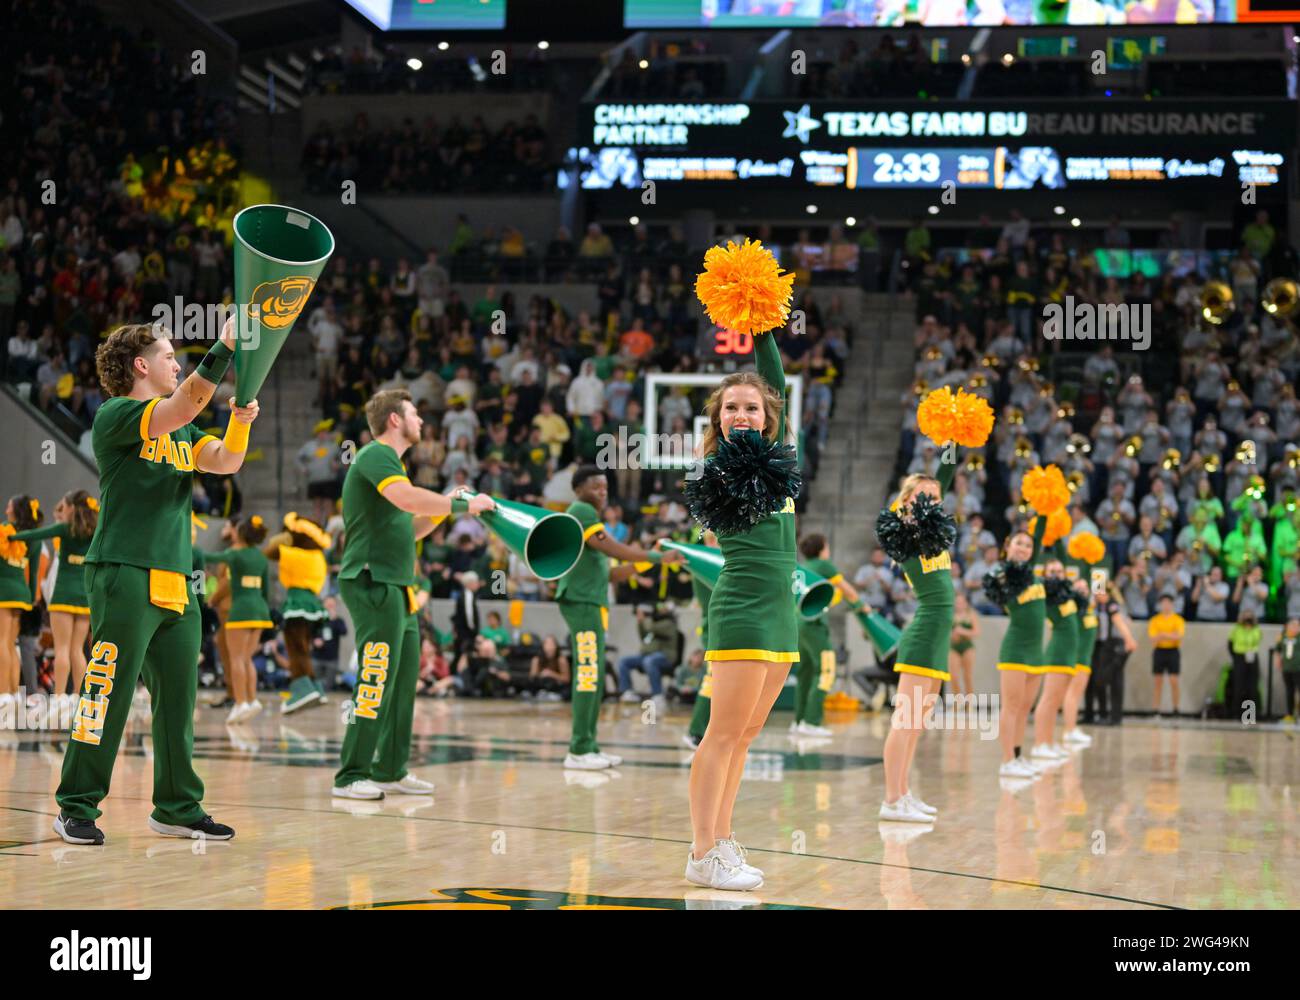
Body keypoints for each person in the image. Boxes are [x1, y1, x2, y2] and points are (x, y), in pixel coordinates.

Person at [54, 315, 258, 845]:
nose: (177, 364)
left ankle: (177, 806)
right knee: (108, 693)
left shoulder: (181, 428)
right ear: (141, 365)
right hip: (123, 571)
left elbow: (227, 460)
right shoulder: (117, 415)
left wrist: (239, 420)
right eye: (169, 356)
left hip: (176, 580)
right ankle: (75, 804)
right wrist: (226, 345)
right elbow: (186, 402)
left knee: (178, 702)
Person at [683, 282, 799, 891]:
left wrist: (763, 320)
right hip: (743, 610)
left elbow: (774, 379)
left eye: (751, 408)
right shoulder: (720, 469)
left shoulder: (776, 461)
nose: (742, 415)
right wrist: (760, 327)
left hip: (783, 614)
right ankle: (703, 851)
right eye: (731, 409)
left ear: (768, 417)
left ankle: (722, 838)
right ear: (719, 422)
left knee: (747, 735)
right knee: (722, 733)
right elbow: (770, 391)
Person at [332, 388, 495, 800]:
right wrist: (459, 507)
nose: (421, 421)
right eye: (415, 413)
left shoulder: (394, 467)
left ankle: (390, 768)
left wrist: (446, 507)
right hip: (372, 580)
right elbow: (405, 499)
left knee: (405, 681)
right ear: (394, 420)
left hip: (398, 586)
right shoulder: (375, 455)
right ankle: (351, 774)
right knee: (375, 678)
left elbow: (410, 526)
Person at [555, 465, 678, 771]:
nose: (603, 492)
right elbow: (611, 548)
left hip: (592, 603)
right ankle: (579, 749)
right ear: (580, 489)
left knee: (594, 678)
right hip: (582, 604)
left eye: (606, 487)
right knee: (587, 676)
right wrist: (652, 556)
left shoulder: (591, 521)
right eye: (596, 486)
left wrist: (648, 563)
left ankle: (590, 745)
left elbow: (612, 573)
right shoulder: (581, 510)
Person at [874, 453, 960, 822]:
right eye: (923, 495)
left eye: (936, 497)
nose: (932, 501)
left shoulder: (934, 532)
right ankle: (891, 800)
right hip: (923, 635)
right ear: (906, 500)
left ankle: (904, 793)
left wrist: (954, 440)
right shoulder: (905, 534)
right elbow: (911, 504)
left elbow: (946, 474)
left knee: (917, 724)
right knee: (904, 721)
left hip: (938, 638)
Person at [12, 491, 99, 713]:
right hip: (85, 598)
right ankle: (80, 698)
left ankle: (60, 697)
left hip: (63, 596)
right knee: (78, 650)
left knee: (62, 649)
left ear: (70, 508)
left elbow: (34, 535)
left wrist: (12, 537)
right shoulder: (94, 532)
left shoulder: (65, 529)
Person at [986, 515, 1048, 778]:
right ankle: (1006, 760)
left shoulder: (1031, 572)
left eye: (1028, 546)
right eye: (1018, 543)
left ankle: (1018, 755)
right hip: (1015, 649)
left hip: (1036, 650)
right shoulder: (1001, 573)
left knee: (1025, 708)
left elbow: (1041, 533)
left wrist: (1044, 508)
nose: (1023, 548)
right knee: (1011, 706)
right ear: (1008, 546)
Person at [793, 533, 867, 738]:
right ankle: (811, 722)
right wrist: (862, 606)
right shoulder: (824, 565)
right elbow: (847, 589)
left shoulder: (803, 566)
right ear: (822, 549)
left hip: (799, 625)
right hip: (815, 626)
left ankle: (798, 721)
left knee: (805, 674)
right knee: (826, 672)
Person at [203, 515, 273, 723]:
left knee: (235, 658)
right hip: (260, 611)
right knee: (246, 658)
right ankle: (252, 700)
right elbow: (265, 590)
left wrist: (191, 549)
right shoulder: (261, 557)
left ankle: (240, 702)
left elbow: (210, 558)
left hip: (240, 610)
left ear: (240, 532)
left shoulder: (234, 554)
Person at [264, 512, 333, 714]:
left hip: (298, 601)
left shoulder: (293, 553)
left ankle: (302, 689)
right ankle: (314, 687)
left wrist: (286, 538)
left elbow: (269, 551)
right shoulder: (318, 556)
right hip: (313, 602)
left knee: (295, 648)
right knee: (303, 648)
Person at [1032, 554, 1080, 760]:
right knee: (1048, 700)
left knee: (1057, 701)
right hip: (1057, 653)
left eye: (1060, 571)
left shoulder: (1065, 593)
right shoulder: (1048, 594)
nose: (1057, 575)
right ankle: (1038, 744)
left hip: (1069, 653)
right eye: (1052, 572)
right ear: (1044, 575)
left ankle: (1049, 741)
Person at [0, 494, 42, 709]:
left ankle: (3, 694)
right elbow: (33, 573)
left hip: (4, 592)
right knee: (9, 644)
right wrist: (32, 598)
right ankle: (14, 693)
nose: (6, 509)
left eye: (9, 505)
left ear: (16, 510)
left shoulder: (5, 530)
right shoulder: (34, 537)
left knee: (2, 643)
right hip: (22, 594)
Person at [683, 530, 718, 752]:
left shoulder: (708, 562)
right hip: (714, 627)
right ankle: (696, 731)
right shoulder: (706, 563)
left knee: (716, 681)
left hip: (716, 626)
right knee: (713, 680)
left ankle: (703, 732)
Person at [1088, 583, 1137, 726]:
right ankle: (1109, 715)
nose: (1096, 596)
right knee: (1105, 680)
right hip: (1108, 645)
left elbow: (1120, 622)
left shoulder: (1112, 605)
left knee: (1115, 681)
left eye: (1099, 593)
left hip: (1115, 644)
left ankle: (1115, 717)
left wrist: (1129, 639)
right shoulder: (1103, 606)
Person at [617, 602, 678, 706]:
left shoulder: (669, 623)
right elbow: (643, 636)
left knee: (650, 661)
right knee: (624, 661)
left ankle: (658, 695)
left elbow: (650, 628)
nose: (660, 610)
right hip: (646, 656)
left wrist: (646, 616)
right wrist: (640, 621)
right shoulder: (651, 622)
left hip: (665, 657)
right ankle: (628, 692)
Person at [1148, 593, 1185, 716]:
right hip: (1159, 651)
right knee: (1158, 681)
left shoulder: (1178, 619)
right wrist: (1169, 635)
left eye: (1168, 603)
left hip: (1173, 651)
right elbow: (1153, 638)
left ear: (1172, 604)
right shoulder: (1155, 620)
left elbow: (1179, 636)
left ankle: (1176, 708)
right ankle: (1155, 709)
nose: (1166, 605)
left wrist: (1162, 634)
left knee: (1174, 680)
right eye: (1163, 603)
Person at [1227, 608, 1262, 721]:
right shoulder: (1236, 629)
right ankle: (1236, 714)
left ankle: (1250, 715)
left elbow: (1258, 641)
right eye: (1245, 615)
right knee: (1238, 686)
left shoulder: (1257, 629)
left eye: (1249, 615)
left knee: (1252, 687)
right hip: (1239, 658)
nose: (1248, 618)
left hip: (1252, 658)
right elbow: (1230, 644)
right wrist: (1237, 657)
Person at [948, 592, 978, 697]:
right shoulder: (951, 615)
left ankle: (970, 702)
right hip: (953, 647)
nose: (959, 605)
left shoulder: (971, 615)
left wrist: (962, 631)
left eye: (961, 602)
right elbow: (945, 632)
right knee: (954, 676)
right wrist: (951, 634)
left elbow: (976, 632)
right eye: (957, 602)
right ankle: (958, 701)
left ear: (966, 603)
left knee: (967, 676)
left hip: (967, 647)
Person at [525, 635, 569, 700]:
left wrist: (552, 674)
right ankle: (540, 693)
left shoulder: (561, 659)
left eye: (552, 644)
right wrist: (541, 673)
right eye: (547, 644)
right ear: (543, 646)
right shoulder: (537, 659)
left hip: (556, 685)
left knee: (567, 690)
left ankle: (553, 695)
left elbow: (567, 679)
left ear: (556, 646)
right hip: (542, 684)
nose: (549, 647)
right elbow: (532, 677)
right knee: (531, 684)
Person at [1273, 618, 1300, 722]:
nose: (1294, 627)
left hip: (1298, 668)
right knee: (1289, 691)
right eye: (1292, 625)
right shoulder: (1283, 636)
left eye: (1297, 625)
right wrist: (1277, 660)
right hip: (1287, 668)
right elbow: (1277, 650)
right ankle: (1290, 715)